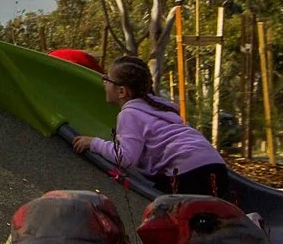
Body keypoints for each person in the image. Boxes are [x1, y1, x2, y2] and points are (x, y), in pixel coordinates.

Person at [71, 55, 230, 196]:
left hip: (188, 172)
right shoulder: (158, 107)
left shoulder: (129, 114)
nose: (104, 83)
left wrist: (93, 143)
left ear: (122, 91)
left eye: (107, 79)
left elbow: (126, 158)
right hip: (216, 165)